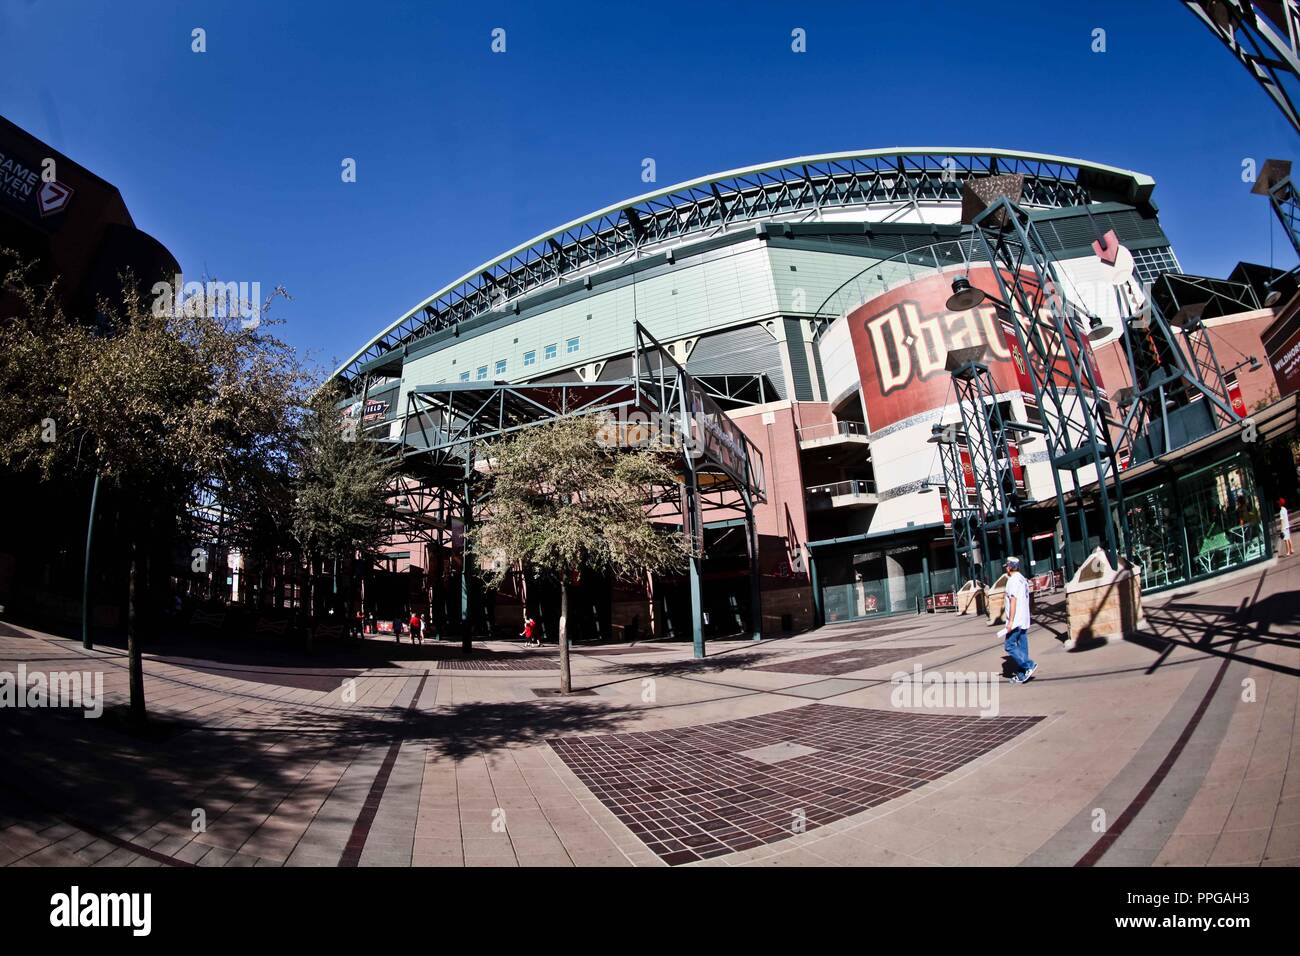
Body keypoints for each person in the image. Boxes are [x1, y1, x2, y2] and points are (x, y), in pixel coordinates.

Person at [997, 556, 1036, 684]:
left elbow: (1013, 600)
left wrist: (1010, 622)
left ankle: (1028, 664)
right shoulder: (1023, 579)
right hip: (1024, 619)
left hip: (1016, 621)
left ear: (1009, 567)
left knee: (1009, 646)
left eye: (1006, 567)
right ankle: (1022, 674)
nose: (1006, 569)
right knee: (1022, 646)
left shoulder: (1012, 580)